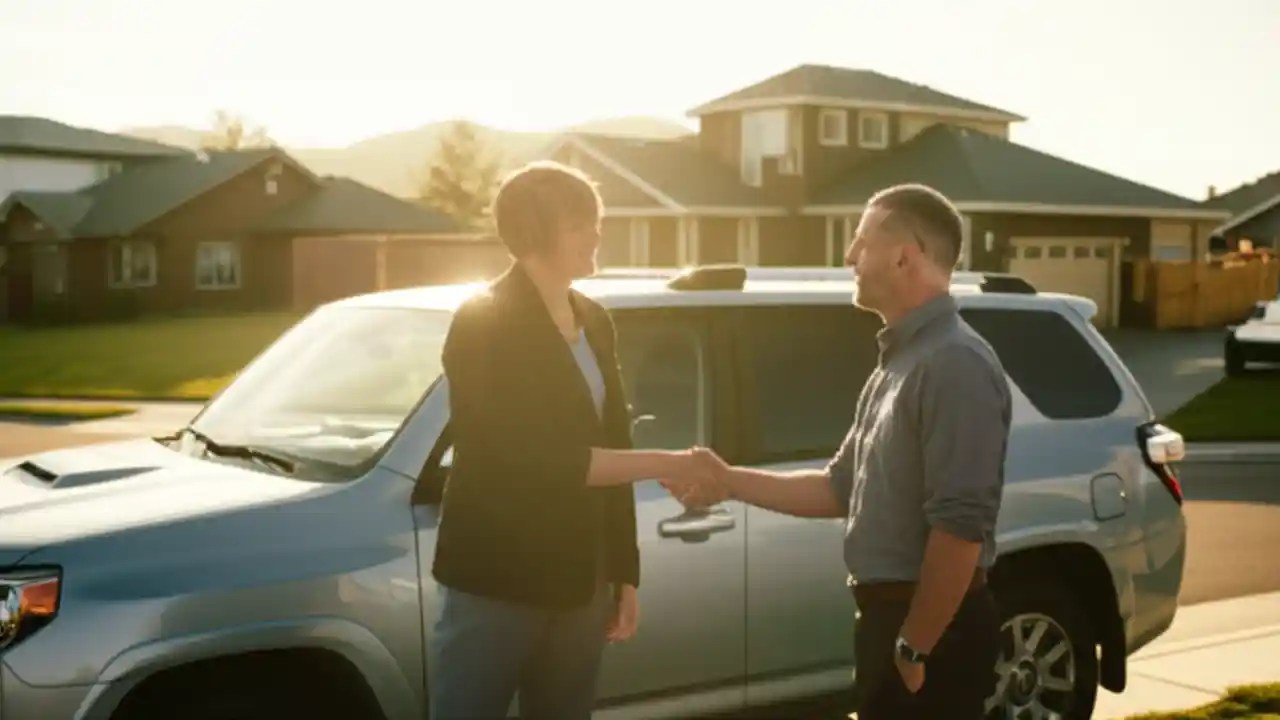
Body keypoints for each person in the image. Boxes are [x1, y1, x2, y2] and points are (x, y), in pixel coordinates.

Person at [700, 184, 1012, 719]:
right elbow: (838, 488)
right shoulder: (900, 361)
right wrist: (727, 479)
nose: (848, 258)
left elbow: (960, 529)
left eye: (860, 243)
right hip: (893, 622)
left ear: (902, 257)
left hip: (934, 634)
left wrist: (915, 646)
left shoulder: (955, 364)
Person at [426, 160, 719, 720]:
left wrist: (624, 572)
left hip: (583, 584)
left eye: (597, 219)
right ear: (536, 231)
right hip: (495, 583)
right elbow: (535, 459)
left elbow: (614, 435)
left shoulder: (595, 319)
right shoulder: (481, 322)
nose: (597, 233)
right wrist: (669, 461)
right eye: (582, 222)